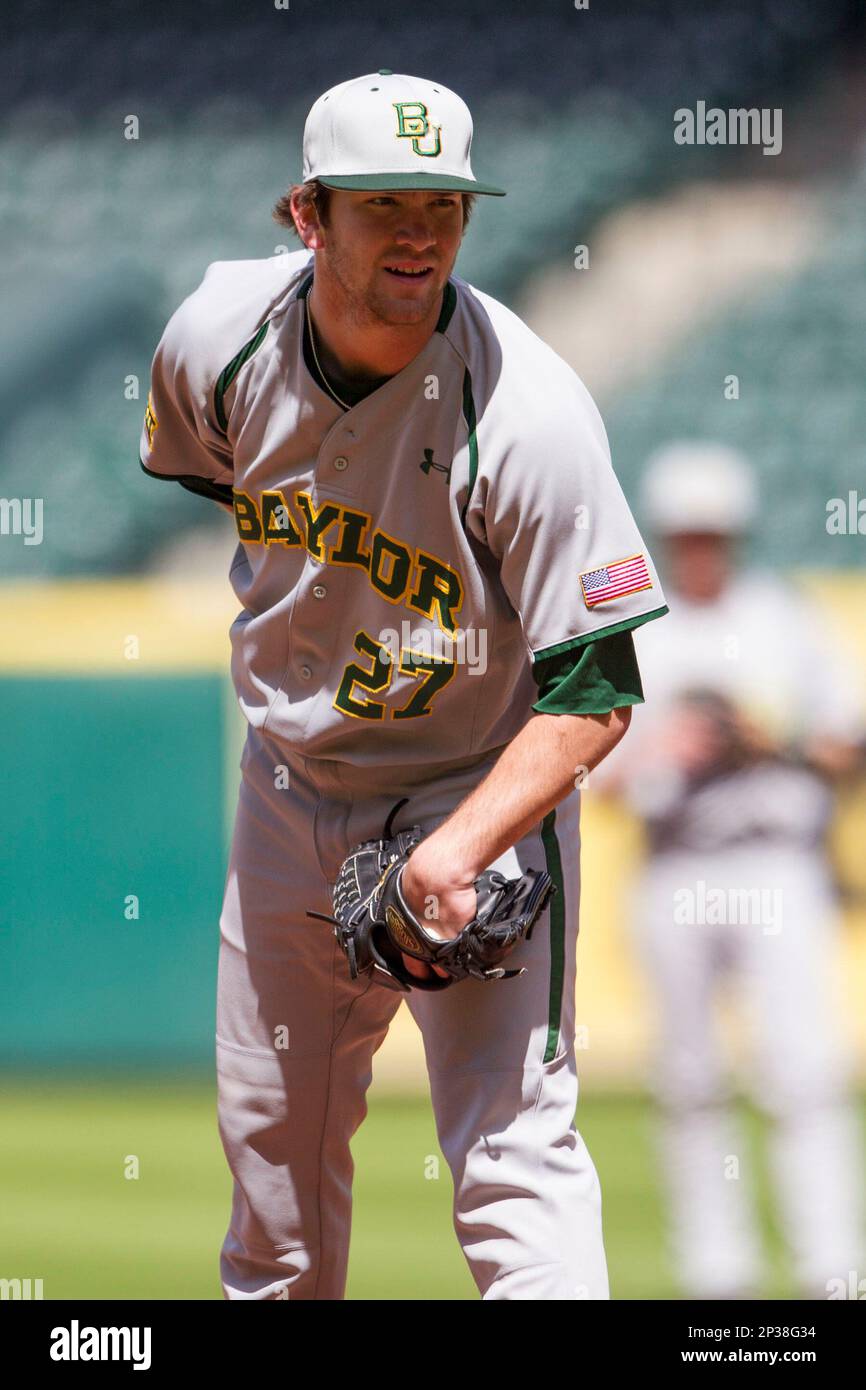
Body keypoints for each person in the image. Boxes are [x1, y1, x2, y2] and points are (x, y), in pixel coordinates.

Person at [139, 70, 667, 1300]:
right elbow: (225, 488)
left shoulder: (526, 409)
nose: (422, 231)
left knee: (513, 1164)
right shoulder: (216, 343)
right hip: (286, 789)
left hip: (468, 791)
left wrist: (462, 847)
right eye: (384, 201)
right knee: (271, 1204)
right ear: (307, 214)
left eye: (445, 201)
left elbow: (594, 688)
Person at [597, 441, 866, 1299]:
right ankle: (719, 1280)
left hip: (773, 863)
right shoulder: (637, 626)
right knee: (687, 1080)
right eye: (686, 532)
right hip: (675, 863)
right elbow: (593, 775)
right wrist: (660, 758)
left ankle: (832, 1270)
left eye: (711, 531)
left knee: (802, 1073)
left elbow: (845, 744)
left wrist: (761, 742)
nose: (699, 546)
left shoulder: (783, 619)